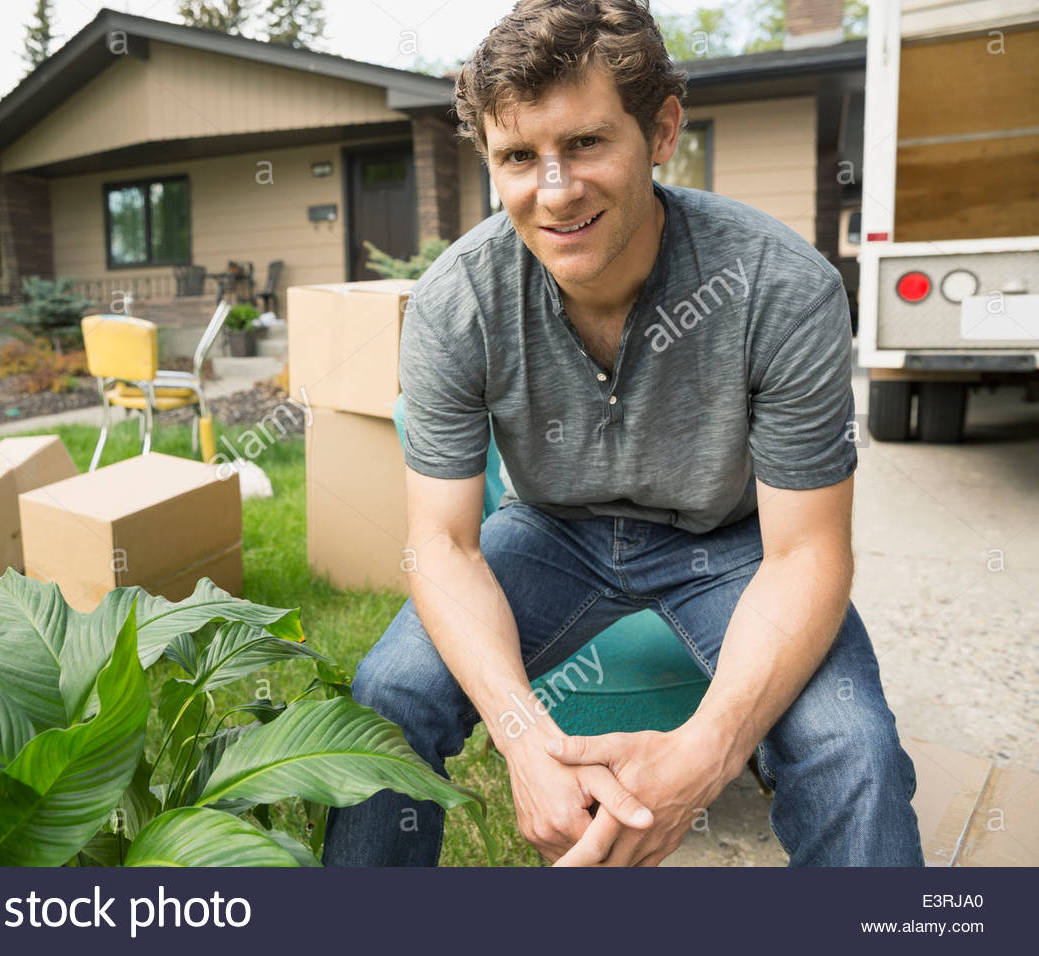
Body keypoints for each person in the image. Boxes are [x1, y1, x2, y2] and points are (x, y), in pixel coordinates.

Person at [322, 0, 924, 867]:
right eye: (520, 157)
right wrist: (524, 741)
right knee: (390, 692)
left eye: (587, 144)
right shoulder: (457, 301)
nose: (555, 191)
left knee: (852, 750)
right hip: (553, 532)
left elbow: (810, 554)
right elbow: (442, 547)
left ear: (663, 129)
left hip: (732, 541)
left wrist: (704, 752)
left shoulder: (781, 288)